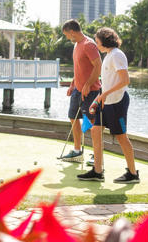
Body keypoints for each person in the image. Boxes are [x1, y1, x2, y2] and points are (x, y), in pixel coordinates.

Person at [77, 26, 140, 184]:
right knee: (95, 131)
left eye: (97, 42)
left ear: (105, 41)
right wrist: (98, 99)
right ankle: (97, 172)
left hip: (117, 103)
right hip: (105, 102)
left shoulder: (117, 55)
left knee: (121, 137)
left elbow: (125, 81)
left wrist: (104, 94)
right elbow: (108, 82)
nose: (96, 45)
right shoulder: (109, 55)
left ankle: (133, 174)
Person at [59, 19, 101, 162]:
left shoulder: (88, 45)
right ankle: (77, 151)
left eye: (66, 35)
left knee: (94, 124)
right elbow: (79, 69)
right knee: (73, 117)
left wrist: (88, 85)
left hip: (91, 91)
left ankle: (97, 156)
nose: (67, 38)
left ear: (72, 32)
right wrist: (72, 84)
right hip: (78, 90)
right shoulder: (77, 45)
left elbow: (98, 66)